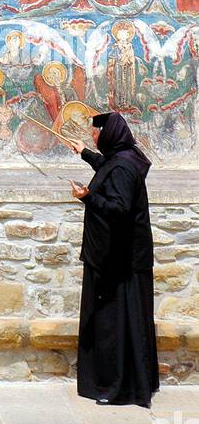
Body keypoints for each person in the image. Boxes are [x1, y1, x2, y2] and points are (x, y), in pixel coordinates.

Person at [69, 113, 158, 408]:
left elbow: (118, 208)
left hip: (119, 260)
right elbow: (107, 167)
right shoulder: (124, 156)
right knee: (127, 317)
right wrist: (85, 153)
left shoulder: (121, 167)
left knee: (114, 322)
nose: (94, 136)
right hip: (121, 256)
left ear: (109, 135)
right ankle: (133, 378)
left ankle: (116, 386)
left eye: (96, 133)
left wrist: (87, 197)